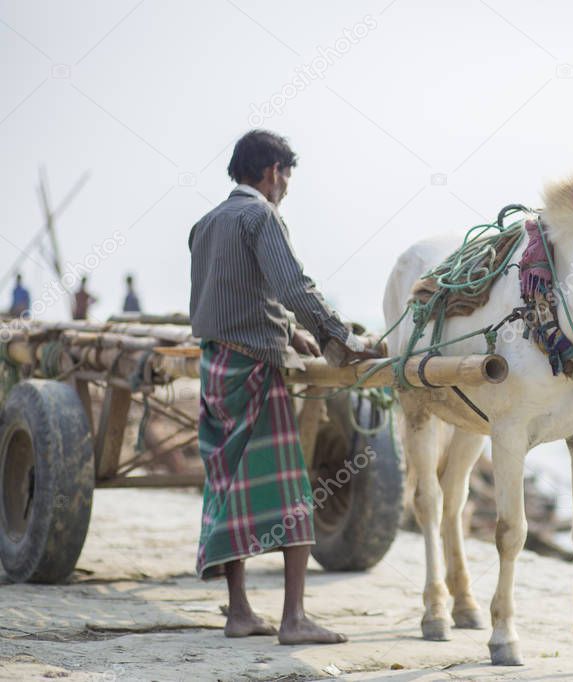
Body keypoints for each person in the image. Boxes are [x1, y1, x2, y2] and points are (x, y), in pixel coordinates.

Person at [189, 129, 381, 644]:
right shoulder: (260, 217)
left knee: (229, 482)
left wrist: (290, 329)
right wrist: (338, 336)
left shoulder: (205, 224)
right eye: (287, 175)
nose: (288, 186)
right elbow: (293, 285)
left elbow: (236, 294)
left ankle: (239, 613)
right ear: (273, 171)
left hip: (214, 368)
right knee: (294, 492)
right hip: (254, 370)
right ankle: (294, 619)